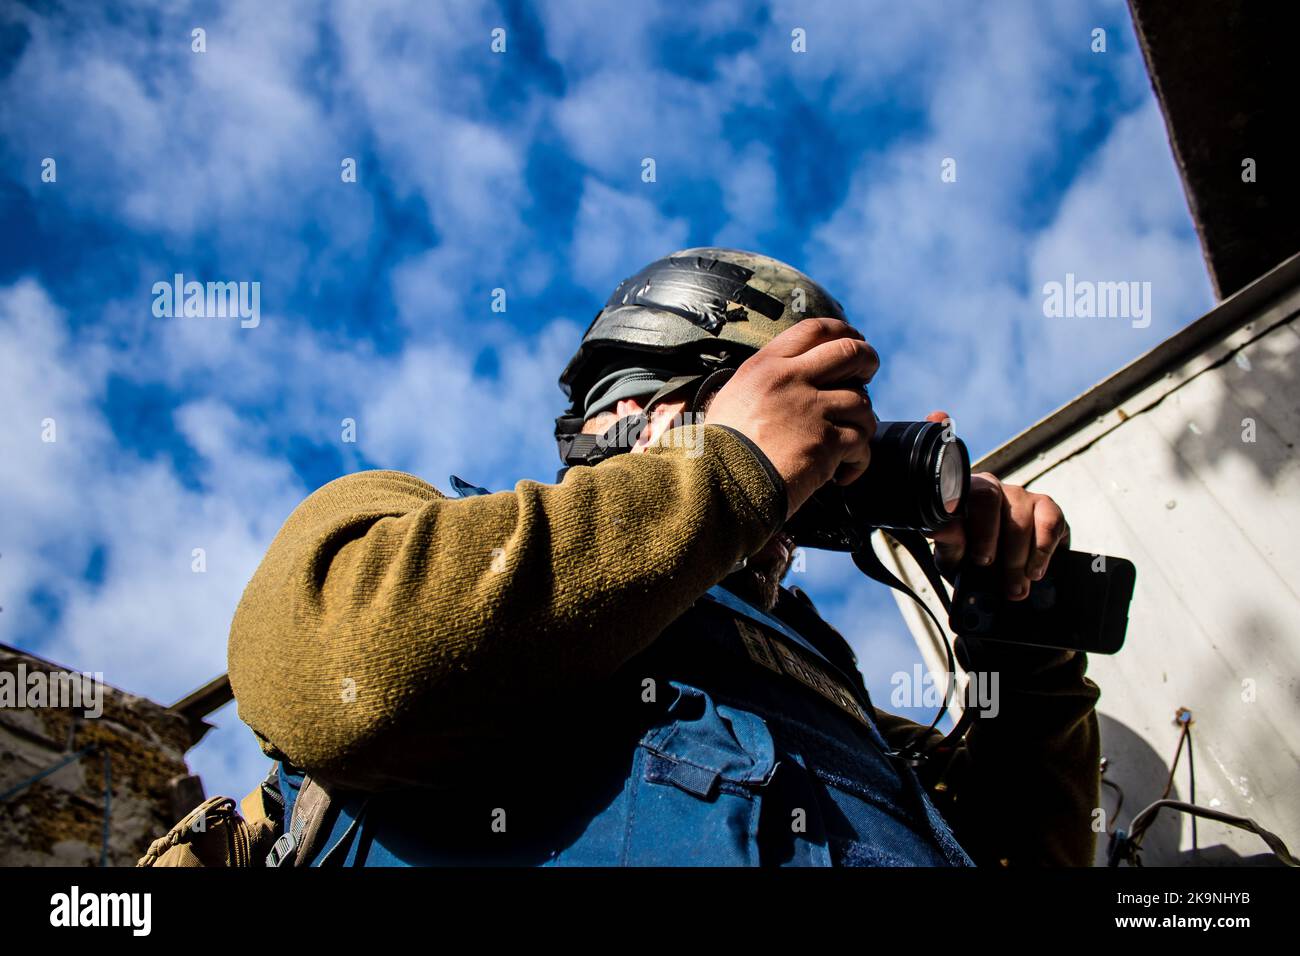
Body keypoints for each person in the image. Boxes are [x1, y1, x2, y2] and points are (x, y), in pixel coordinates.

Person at [227, 248, 1100, 867]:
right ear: (639, 414)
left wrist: (1019, 636)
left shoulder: (836, 701)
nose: (794, 513)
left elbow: (1027, 851)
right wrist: (728, 471)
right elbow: (331, 683)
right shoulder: (415, 529)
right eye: (795, 429)